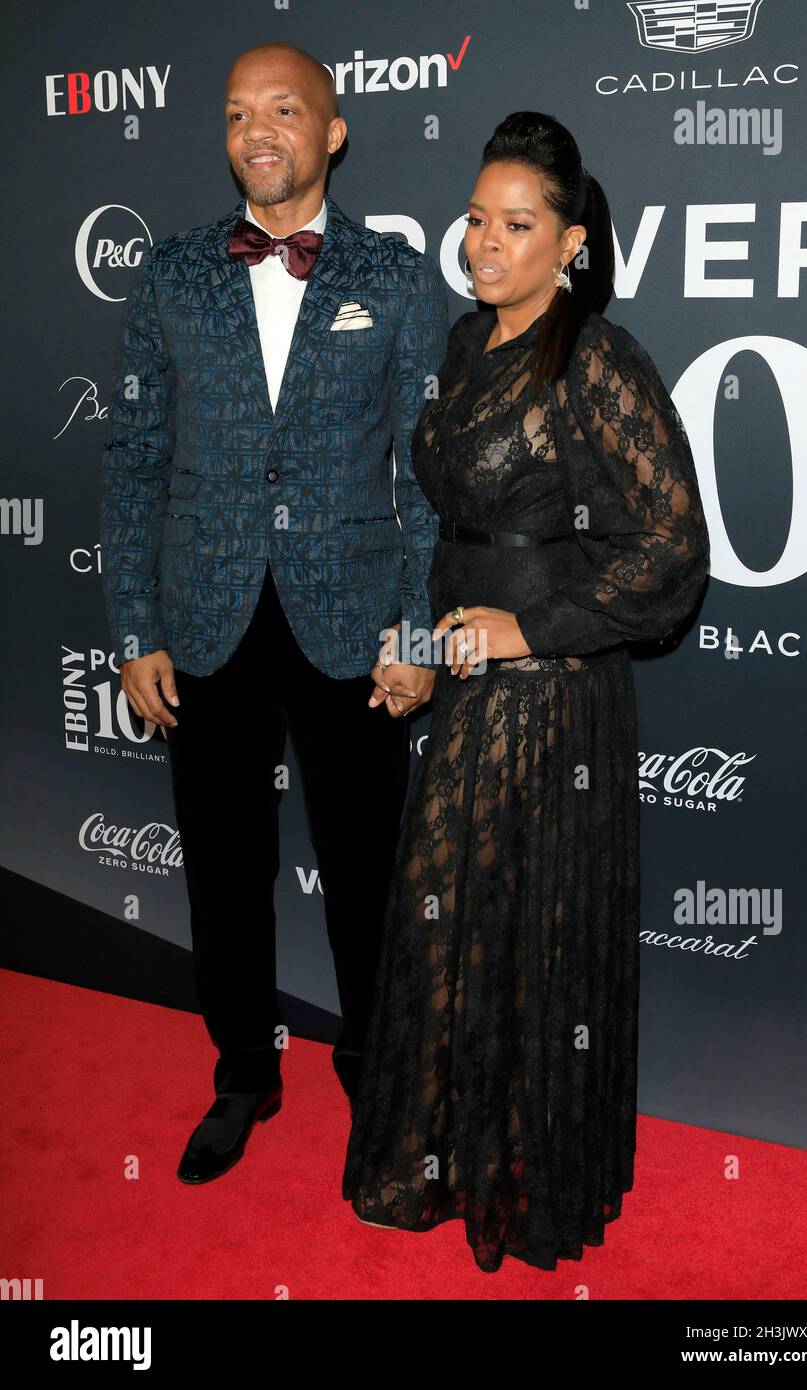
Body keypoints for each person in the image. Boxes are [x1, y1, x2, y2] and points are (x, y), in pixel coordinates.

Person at [342, 111, 712, 1272]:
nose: (485, 243)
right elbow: (452, 529)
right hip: (460, 682)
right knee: (450, 928)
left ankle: (522, 1173)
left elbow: (669, 547)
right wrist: (418, 643)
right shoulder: (460, 345)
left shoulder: (595, 359)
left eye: (516, 225)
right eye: (473, 218)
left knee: (519, 934)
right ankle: (447, 1156)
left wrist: (526, 628)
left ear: (571, 245)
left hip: (551, 699)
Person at [99, 41, 448, 1184]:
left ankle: (374, 1067)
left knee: (365, 869)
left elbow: (429, 477)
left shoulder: (395, 277)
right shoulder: (172, 273)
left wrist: (414, 629)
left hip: (351, 619)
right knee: (222, 862)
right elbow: (135, 457)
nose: (259, 129)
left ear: (332, 130)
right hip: (203, 613)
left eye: (285, 109)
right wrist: (135, 623)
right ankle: (245, 1065)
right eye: (240, 110)